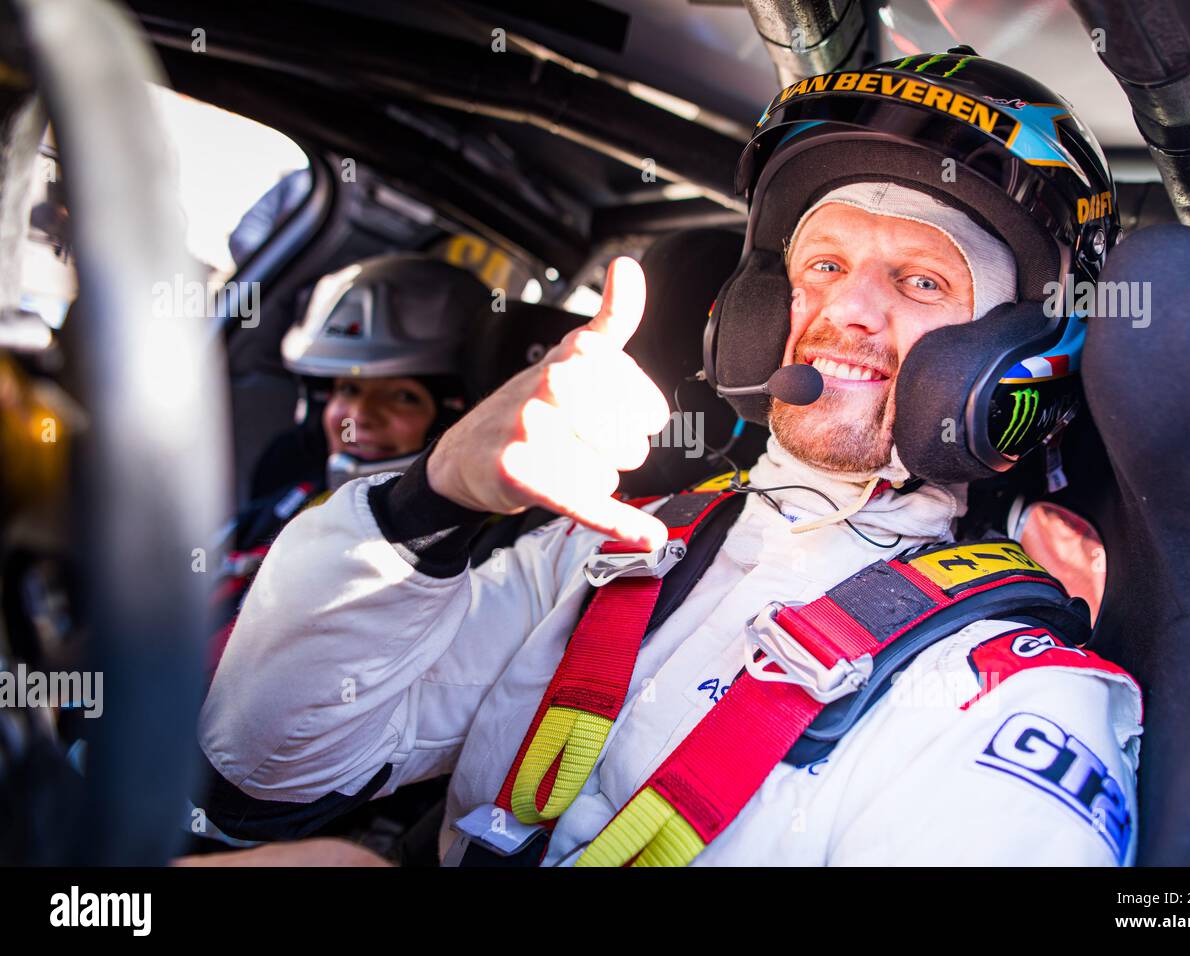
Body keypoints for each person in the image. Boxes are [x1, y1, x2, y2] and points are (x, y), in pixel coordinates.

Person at [198, 51, 1142, 866]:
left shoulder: (1018, 699)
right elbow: (272, 761)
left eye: (920, 279)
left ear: (1015, 351)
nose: (843, 312)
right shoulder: (622, 549)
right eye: (822, 265)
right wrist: (427, 500)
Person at [208, 254, 487, 668]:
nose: (358, 417)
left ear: (451, 420)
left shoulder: (451, 558)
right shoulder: (296, 488)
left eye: (402, 396)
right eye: (349, 389)